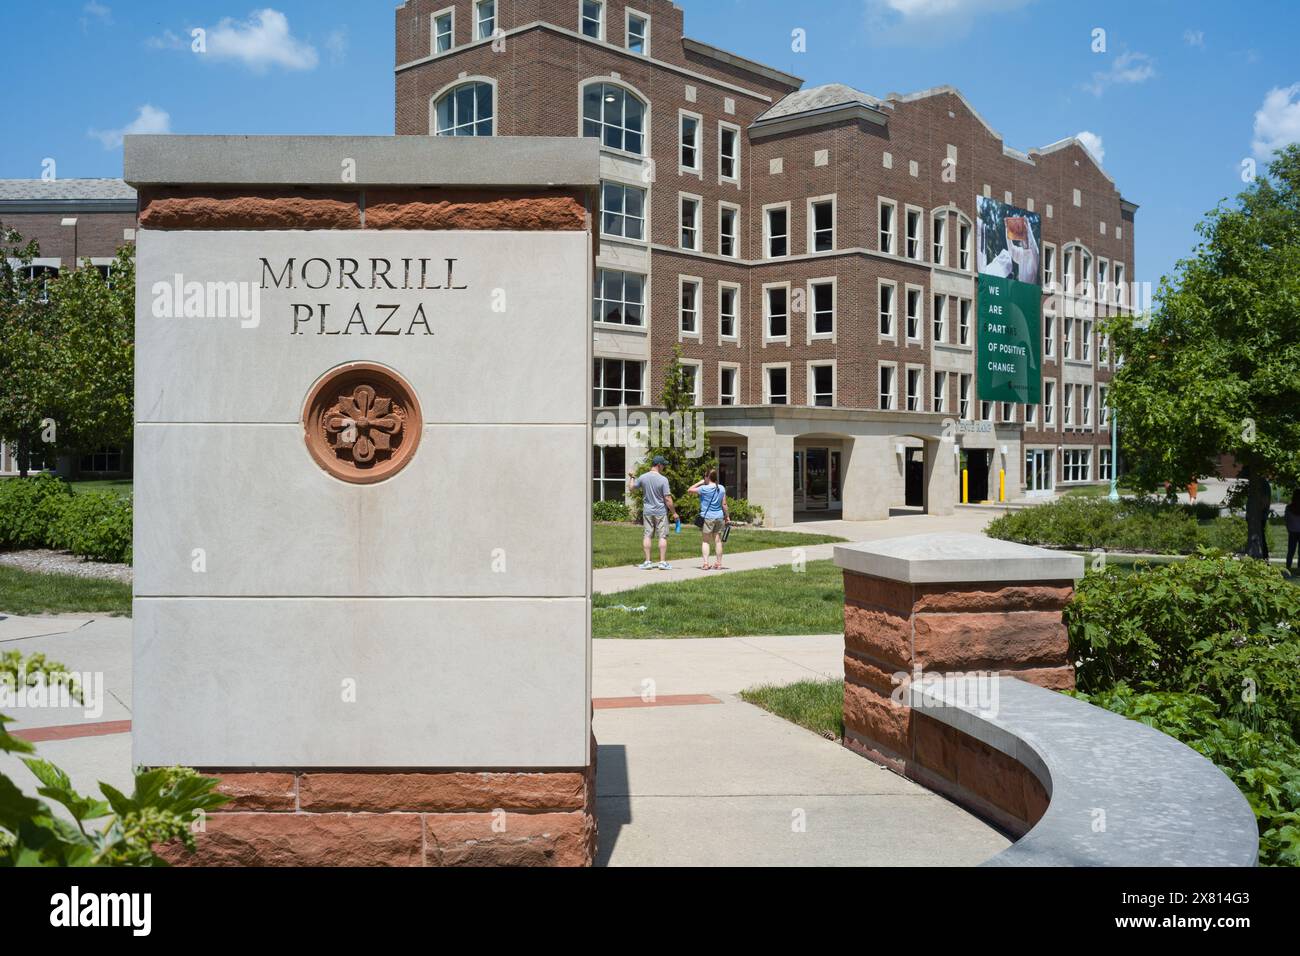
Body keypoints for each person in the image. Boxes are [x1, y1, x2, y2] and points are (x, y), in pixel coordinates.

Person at [628, 456, 679, 570]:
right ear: (659, 465)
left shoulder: (643, 477)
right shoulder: (663, 479)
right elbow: (667, 499)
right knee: (662, 536)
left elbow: (631, 488)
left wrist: (632, 477)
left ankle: (647, 562)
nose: (664, 467)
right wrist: (674, 513)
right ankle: (662, 562)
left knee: (647, 535)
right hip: (660, 512)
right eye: (663, 465)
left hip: (647, 512)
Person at [688, 470, 730, 570]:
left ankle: (706, 564)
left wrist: (701, 481)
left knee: (706, 541)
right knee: (718, 541)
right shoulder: (721, 488)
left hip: (707, 517)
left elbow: (689, 490)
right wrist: (727, 516)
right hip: (719, 517)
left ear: (707, 477)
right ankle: (719, 564)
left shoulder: (703, 488)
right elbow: (724, 504)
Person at [1287, 491, 1300, 578]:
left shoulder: (1289, 508)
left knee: (1291, 551)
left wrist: (1289, 528)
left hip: (1292, 531)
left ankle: (1288, 567)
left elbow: (1287, 519)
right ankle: (1299, 568)